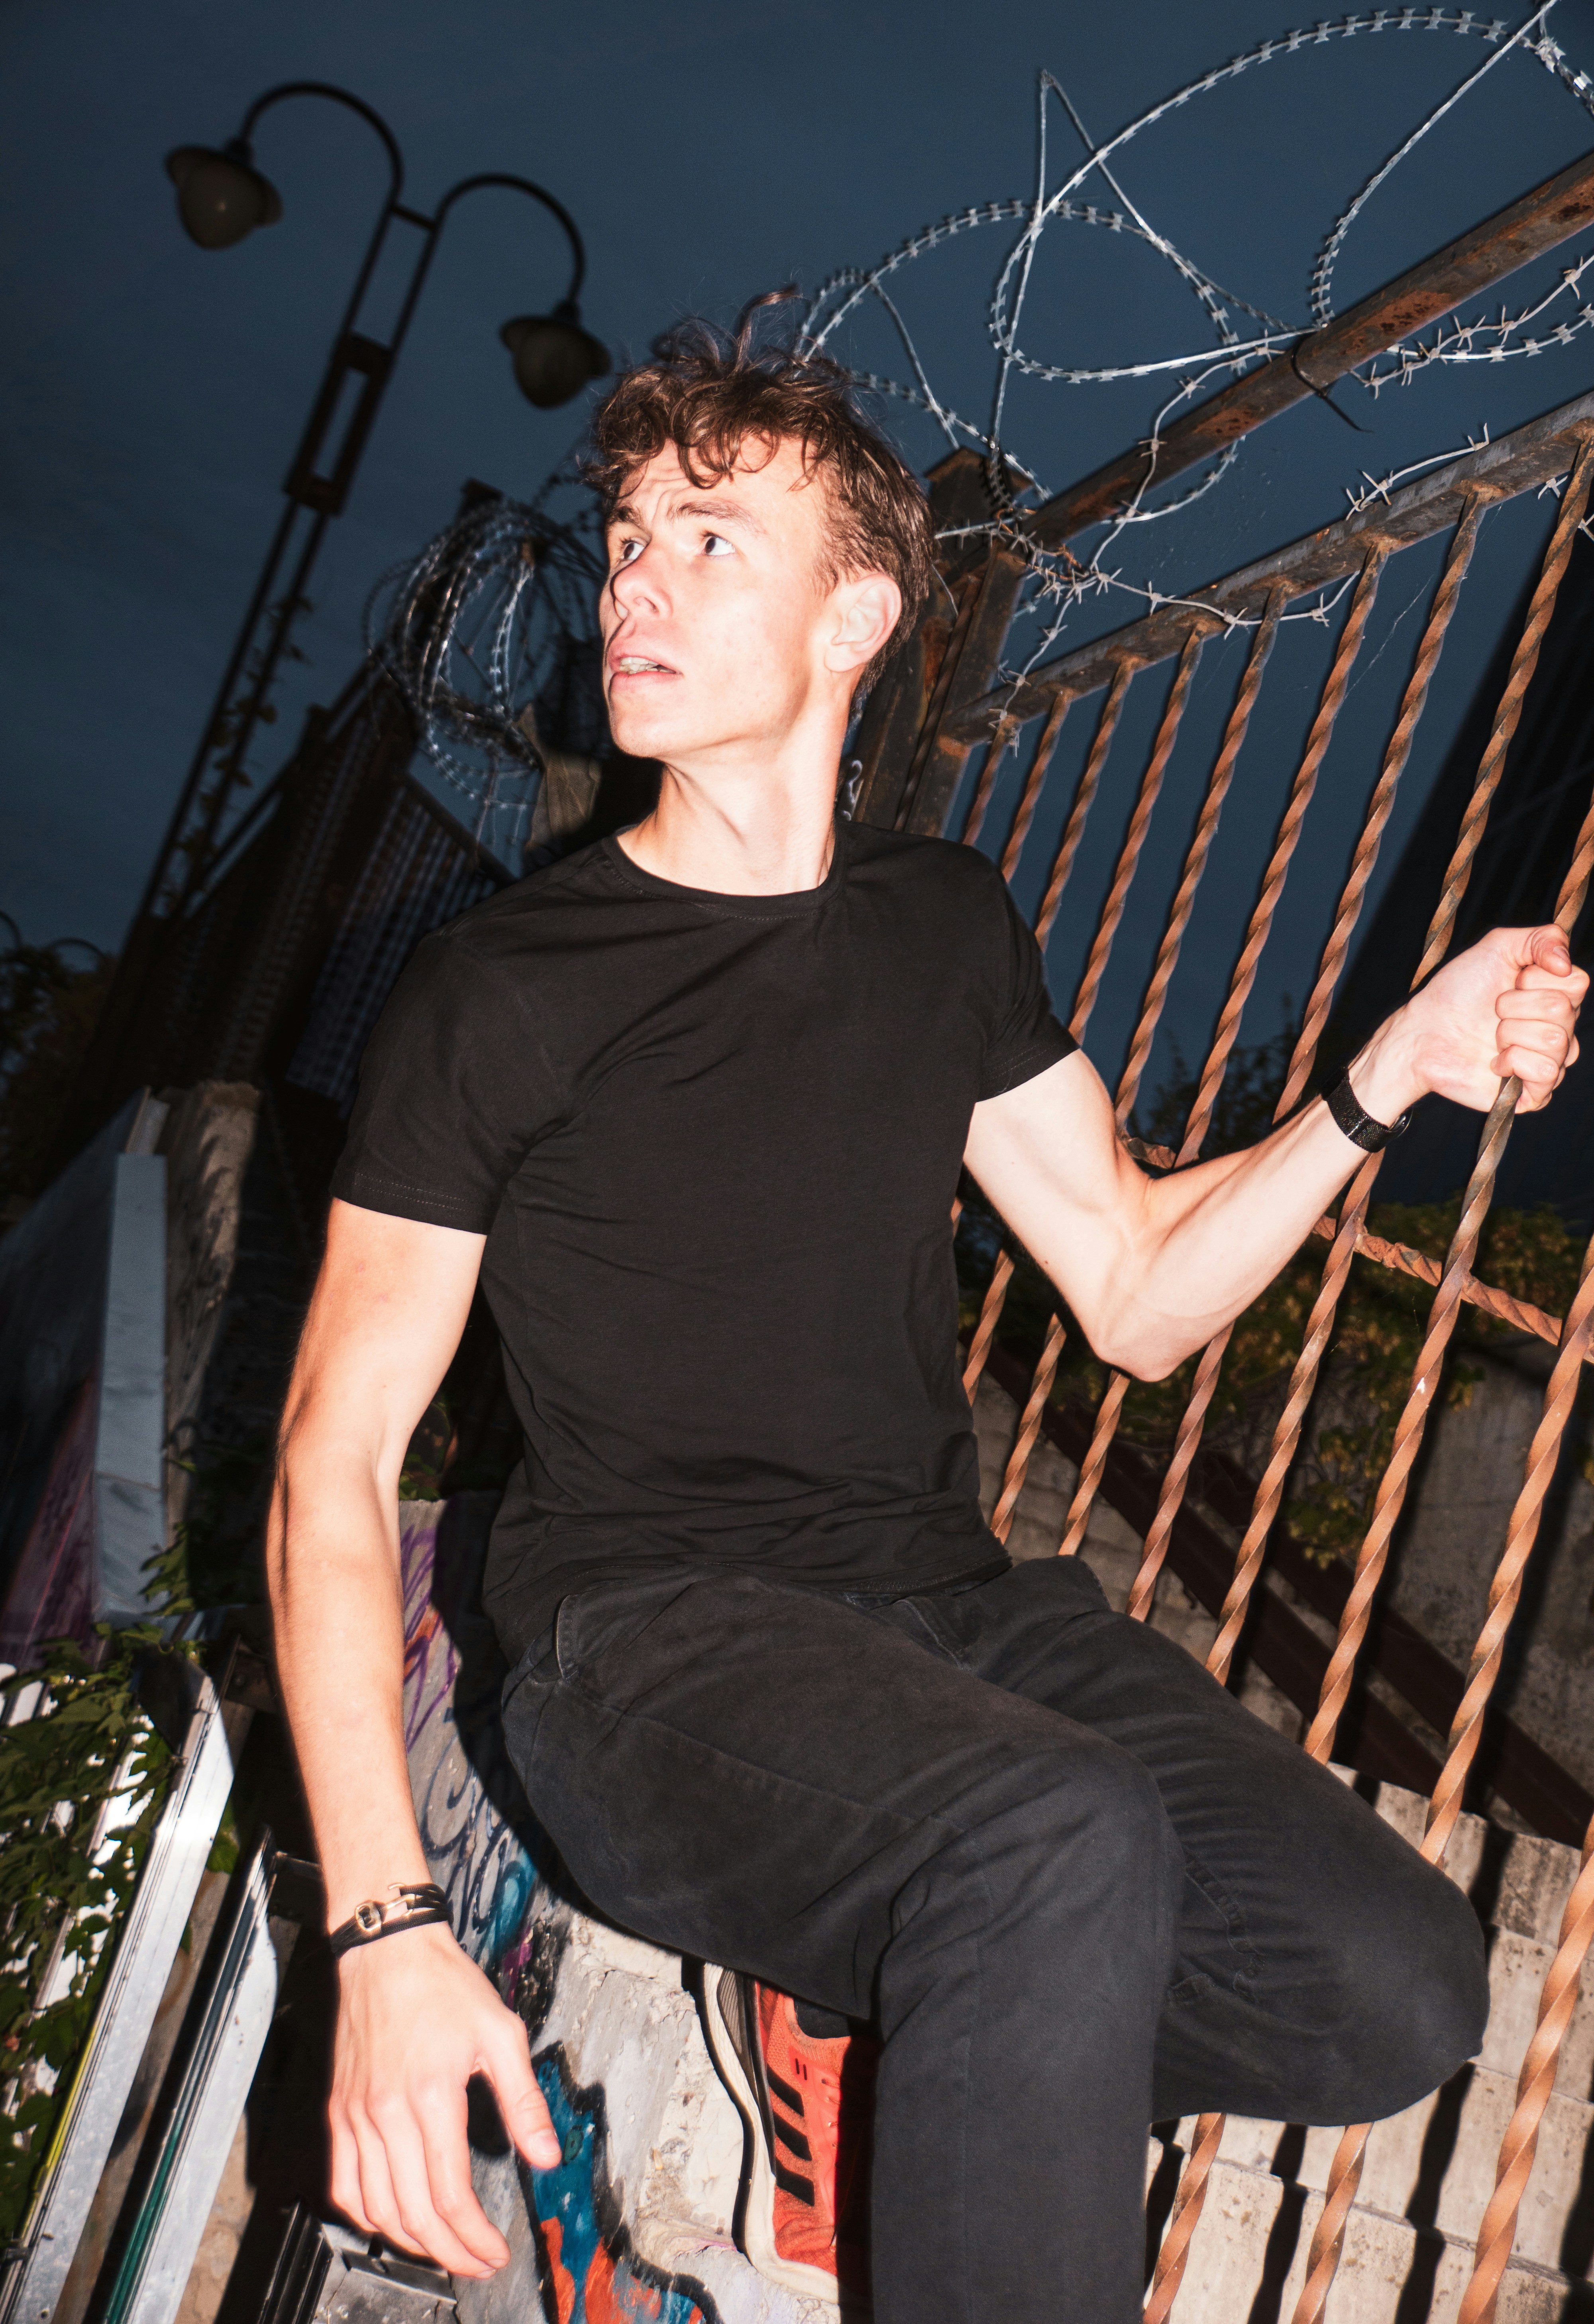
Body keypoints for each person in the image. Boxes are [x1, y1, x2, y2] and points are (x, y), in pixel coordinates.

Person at [267, 316, 1586, 2324]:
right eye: (627, 539)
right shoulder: (502, 988)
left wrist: (1380, 1077)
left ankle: (917, 2017)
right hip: (644, 1638)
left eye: (711, 542)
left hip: (938, 1614)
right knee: (1050, 1846)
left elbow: (1136, 1291)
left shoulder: (941, 926)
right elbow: (334, 1468)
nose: (635, 582)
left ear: (856, 614)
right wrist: (382, 1937)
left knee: (1388, 1989)